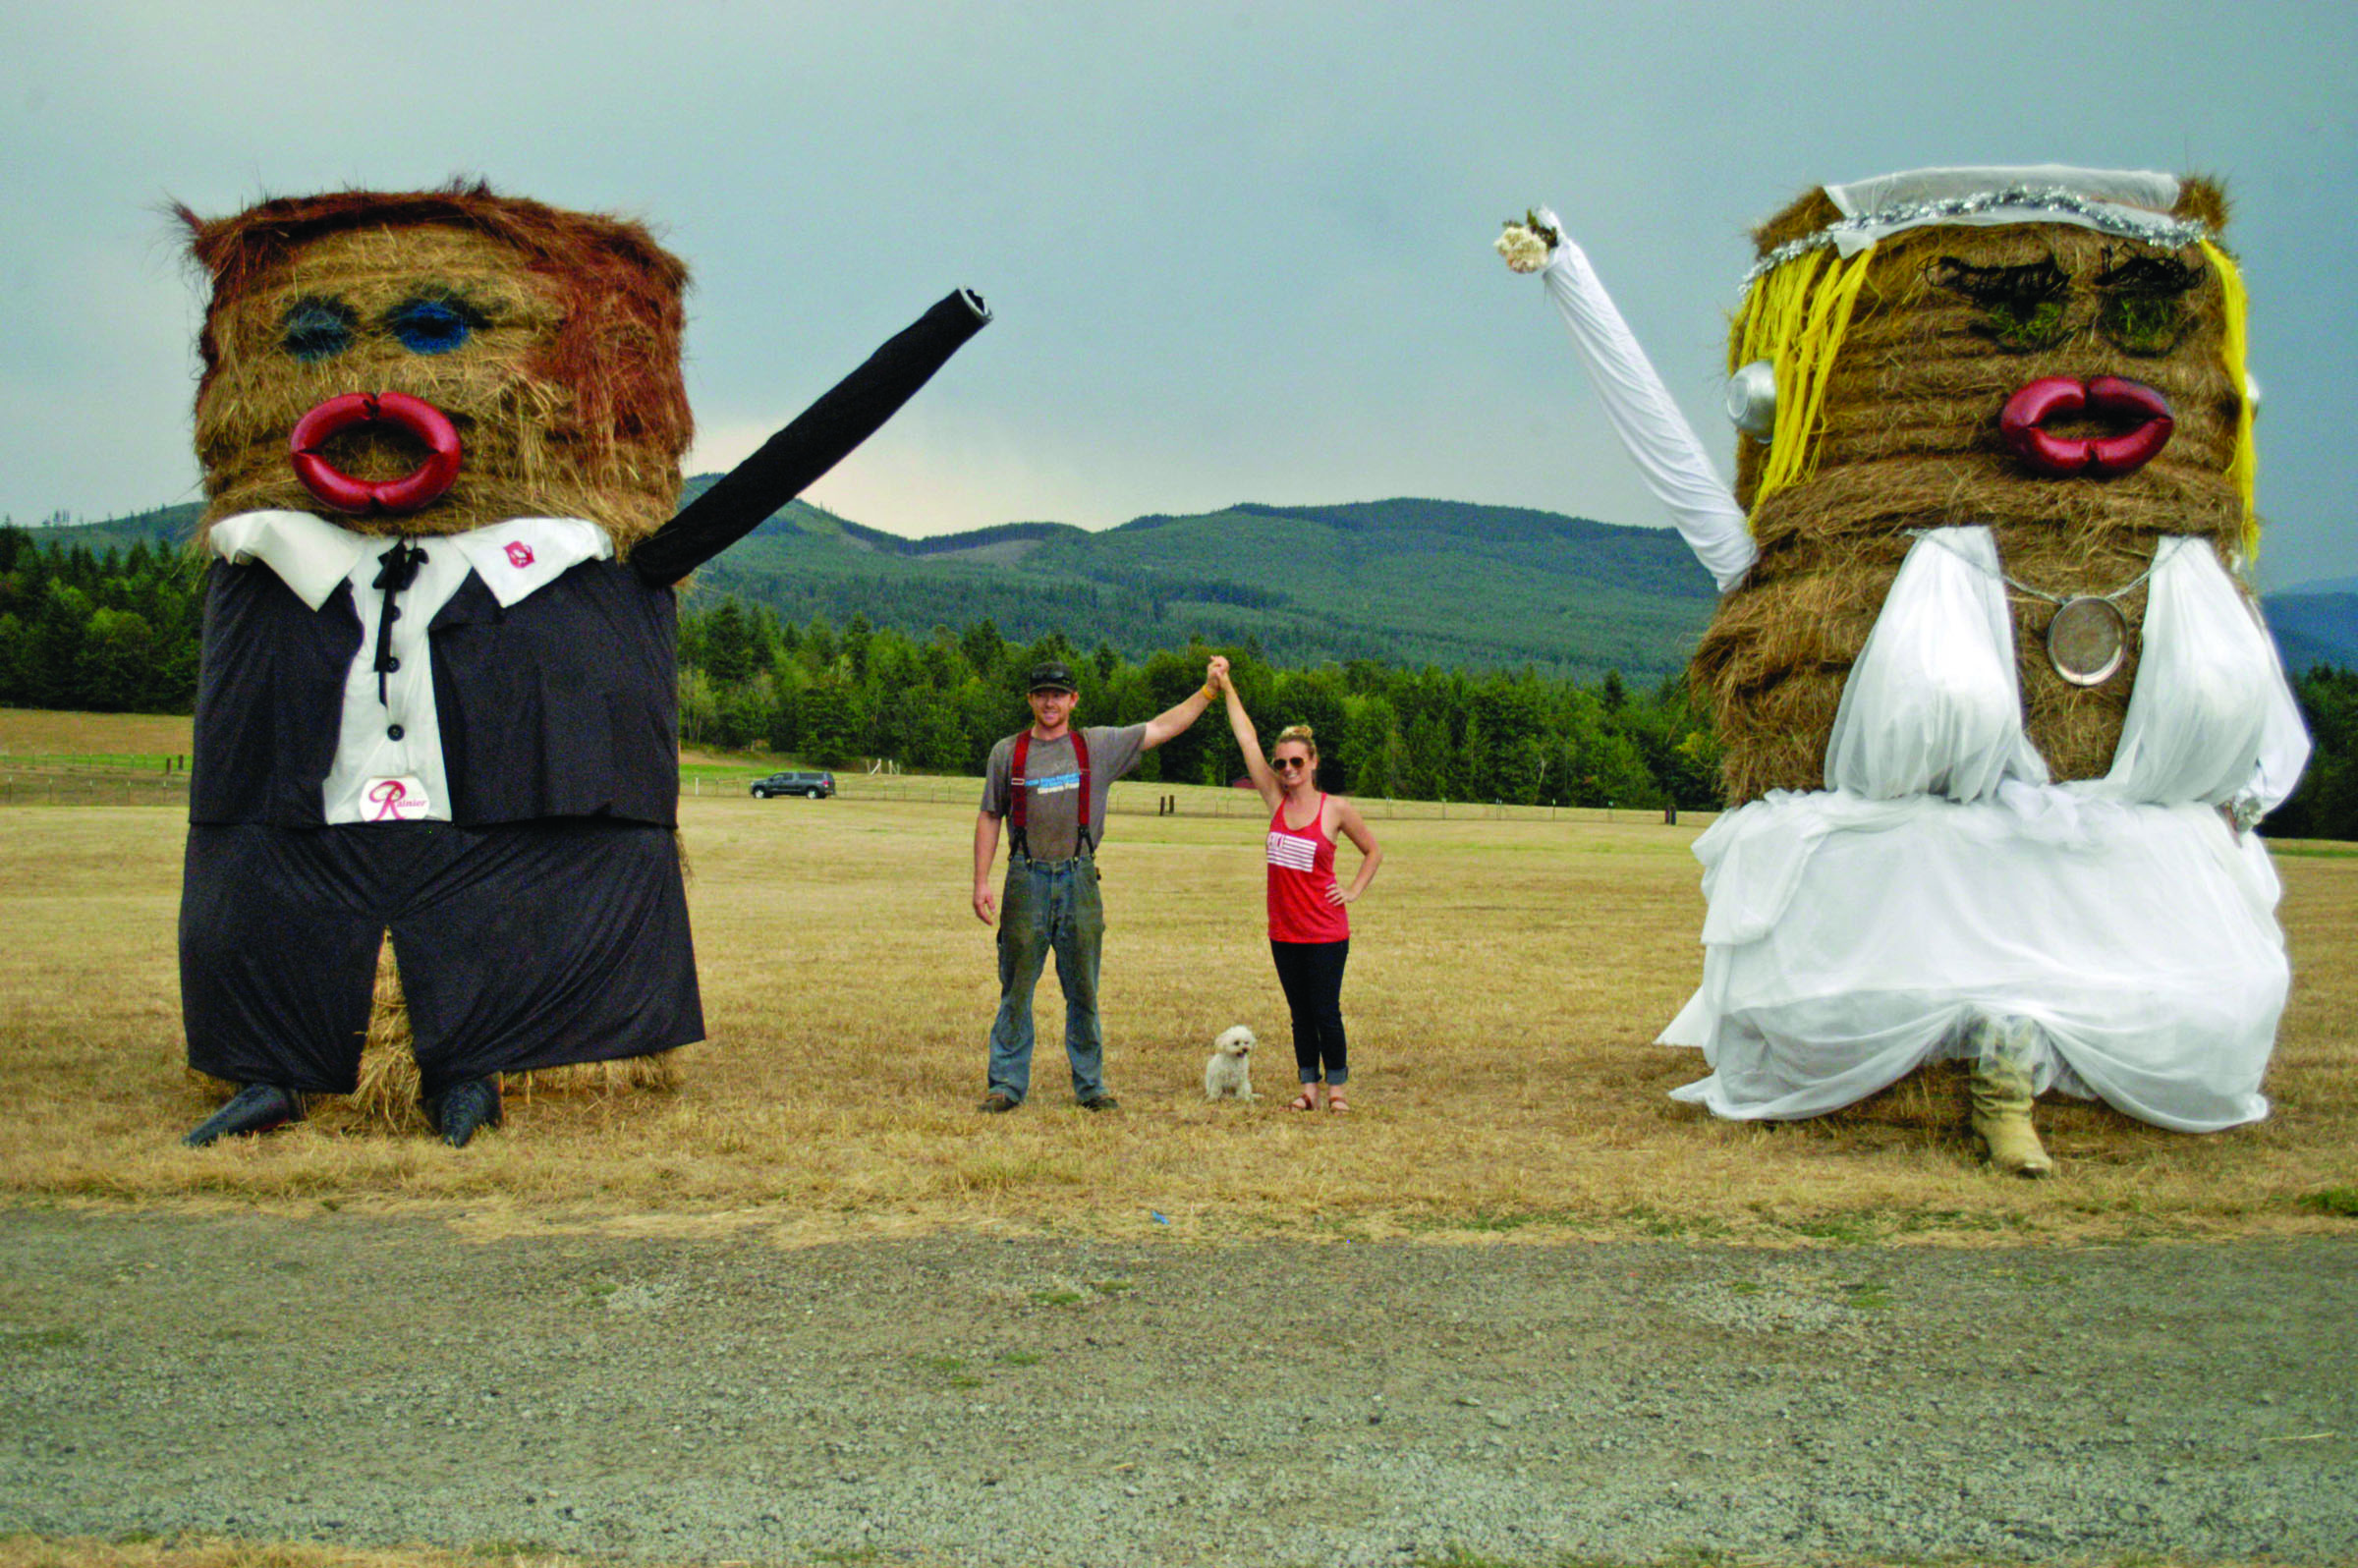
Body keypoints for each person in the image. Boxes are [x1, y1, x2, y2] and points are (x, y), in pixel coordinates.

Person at [971, 655, 1224, 1111]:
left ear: (1073, 700)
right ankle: (1005, 1085)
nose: (1050, 702)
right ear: (1030, 700)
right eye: (1042, 695)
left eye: (1058, 694)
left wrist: (1208, 691)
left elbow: (1162, 727)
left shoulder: (1099, 745)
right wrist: (980, 881)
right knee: (1016, 989)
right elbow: (990, 815)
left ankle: (1091, 1086)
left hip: (1080, 877)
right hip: (1025, 878)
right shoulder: (1006, 752)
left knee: (1083, 989)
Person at [1215, 673, 1382, 1112]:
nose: (1288, 769)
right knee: (1300, 1015)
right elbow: (1246, 739)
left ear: (1313, 762)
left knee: (1326, 1012)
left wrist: (1353, 891)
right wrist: (1227, 686)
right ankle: (1308, 1088)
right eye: (1281, 763)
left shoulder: (1335, 809)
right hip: (1284, 932)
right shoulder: (1276, 801)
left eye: (1296, 762)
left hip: (1326, 933)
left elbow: (1373, 851)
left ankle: (1337, 1089)